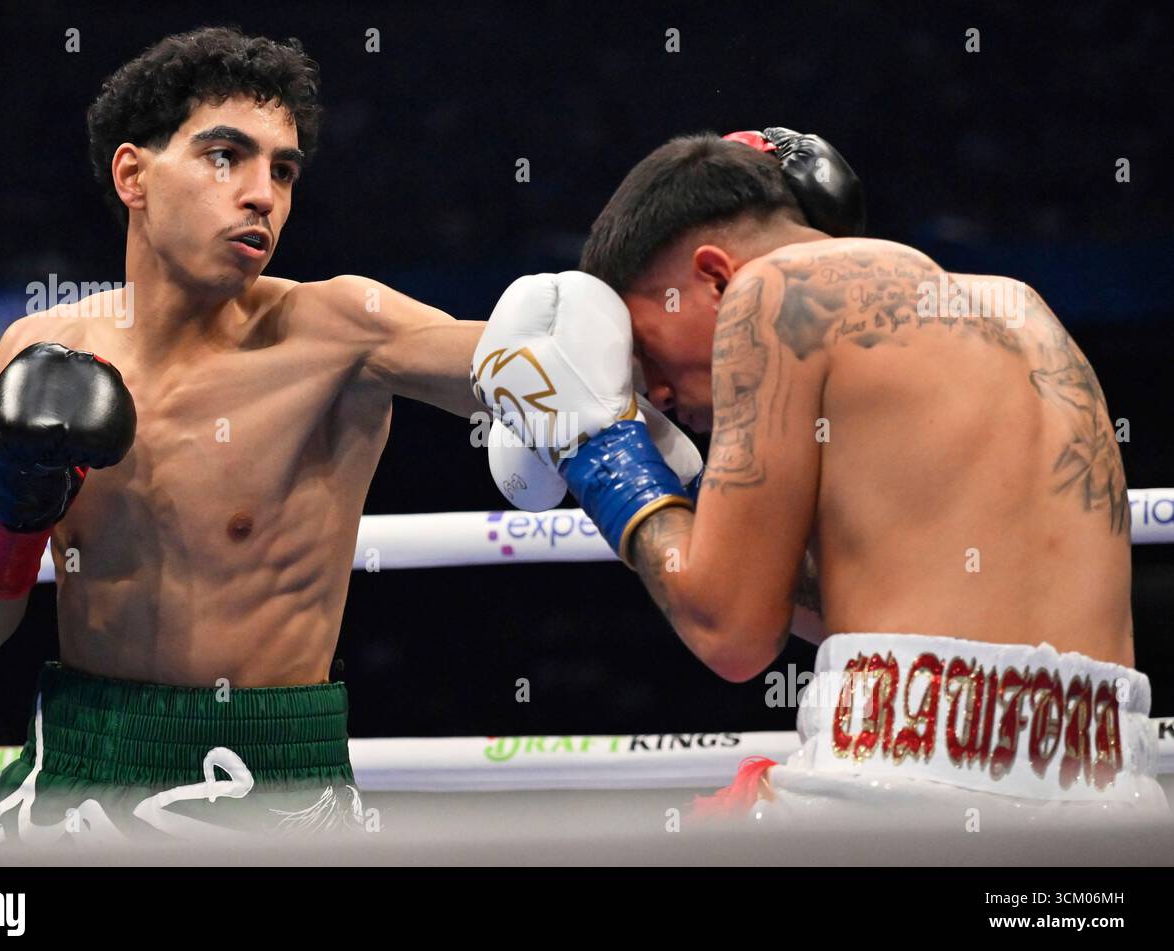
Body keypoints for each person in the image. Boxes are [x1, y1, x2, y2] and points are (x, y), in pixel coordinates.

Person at [473, 129, 1165, 823]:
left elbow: (734, 637)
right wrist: (682, 497)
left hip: (901, 788)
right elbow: (928, 617)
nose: (653, 396)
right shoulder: (1024, 310)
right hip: (1114, 796)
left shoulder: (772, 295)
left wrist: (601, 452)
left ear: (714, 277)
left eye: (645, 354)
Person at [0, 27, 484, 842]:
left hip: (274, 779)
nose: (263, 195)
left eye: (282, 171)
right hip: (77, 766)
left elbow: (534, 368)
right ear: (133, 175)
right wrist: (15, 514)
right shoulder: (43, 351)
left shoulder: (341, 331)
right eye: (227, 156)